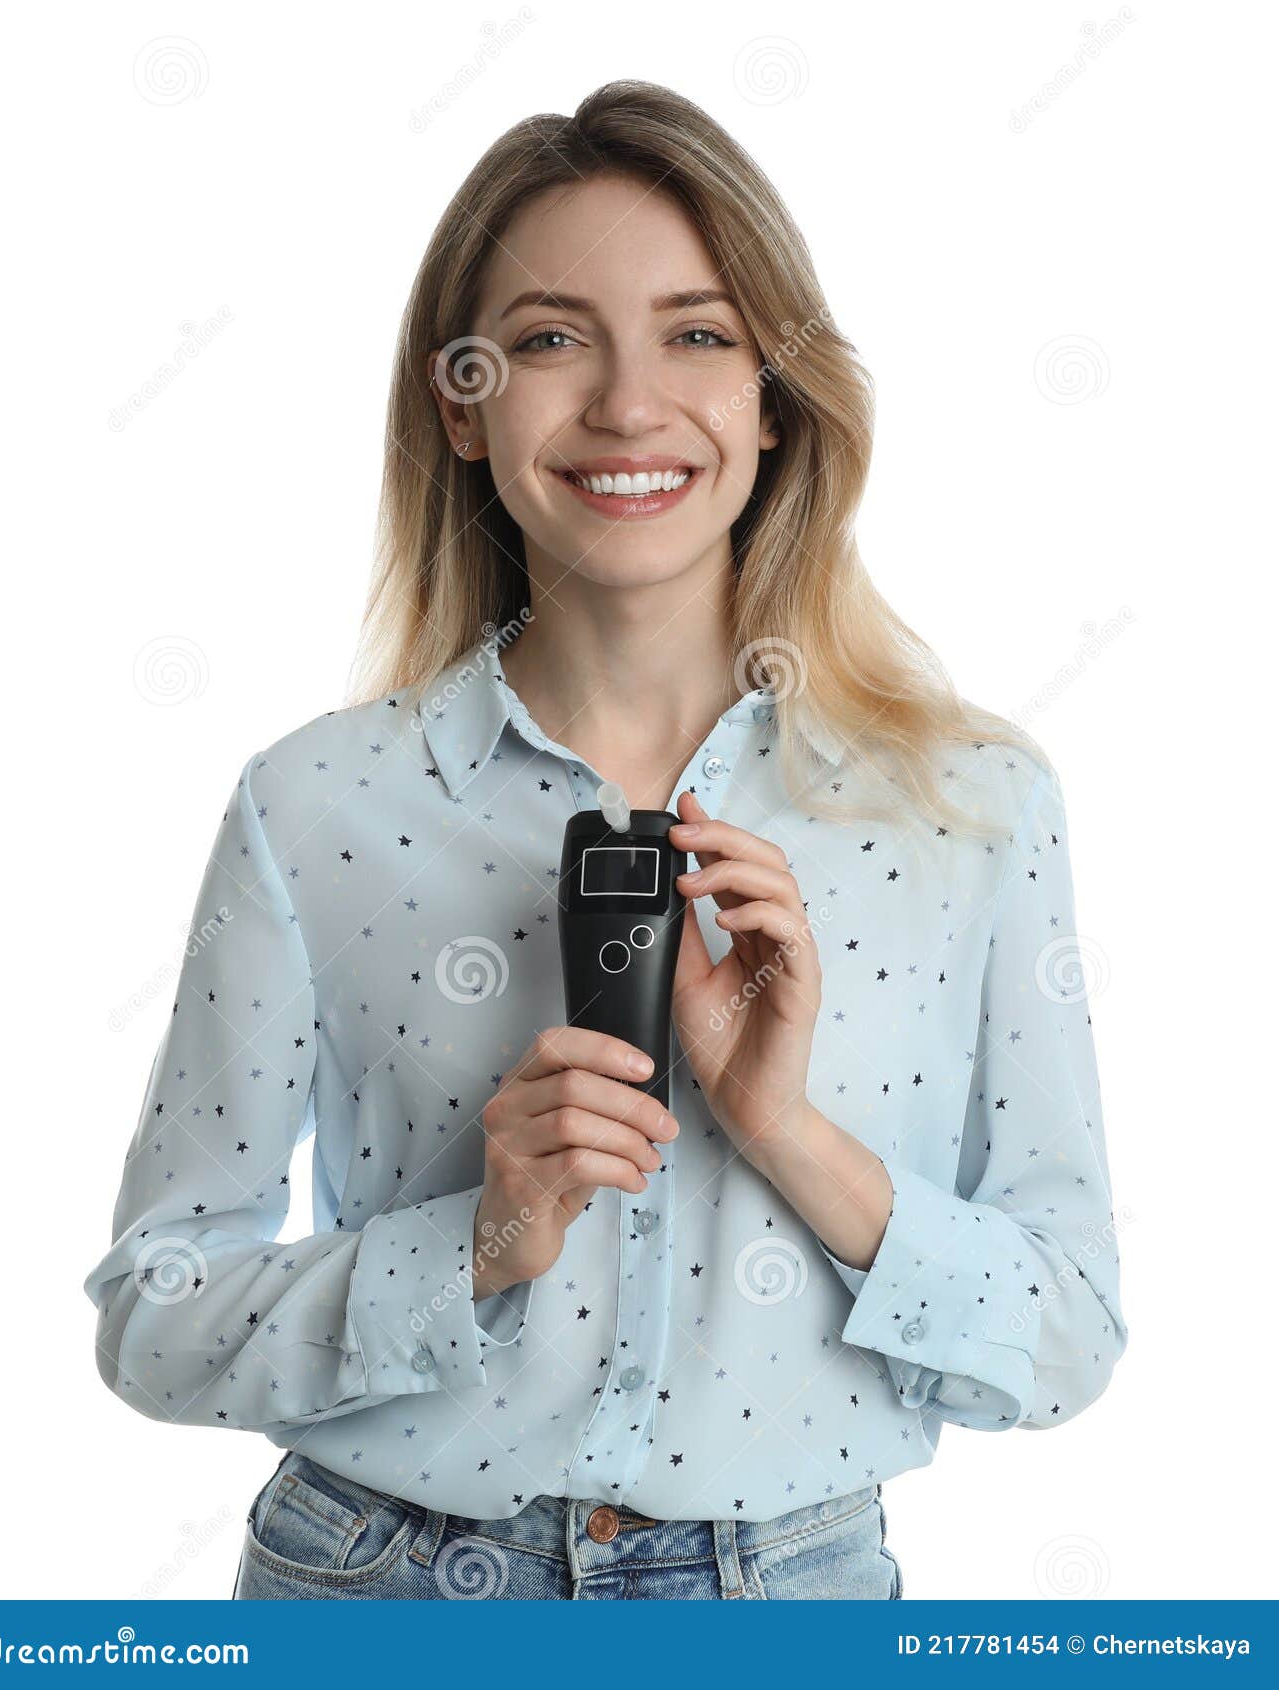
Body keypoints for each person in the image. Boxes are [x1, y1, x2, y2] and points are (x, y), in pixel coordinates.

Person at [84, 79, 1128, 1601]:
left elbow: (1064, 1336)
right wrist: (479, 1239)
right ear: (463, 398)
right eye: (554, 339)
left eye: (699, 335)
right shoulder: (311, 805)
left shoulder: (966, 805)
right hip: (377, 1588)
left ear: (773, 400)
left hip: (793, 1597)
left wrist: (789, 1131)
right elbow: (152, 1312)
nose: (630, 405)